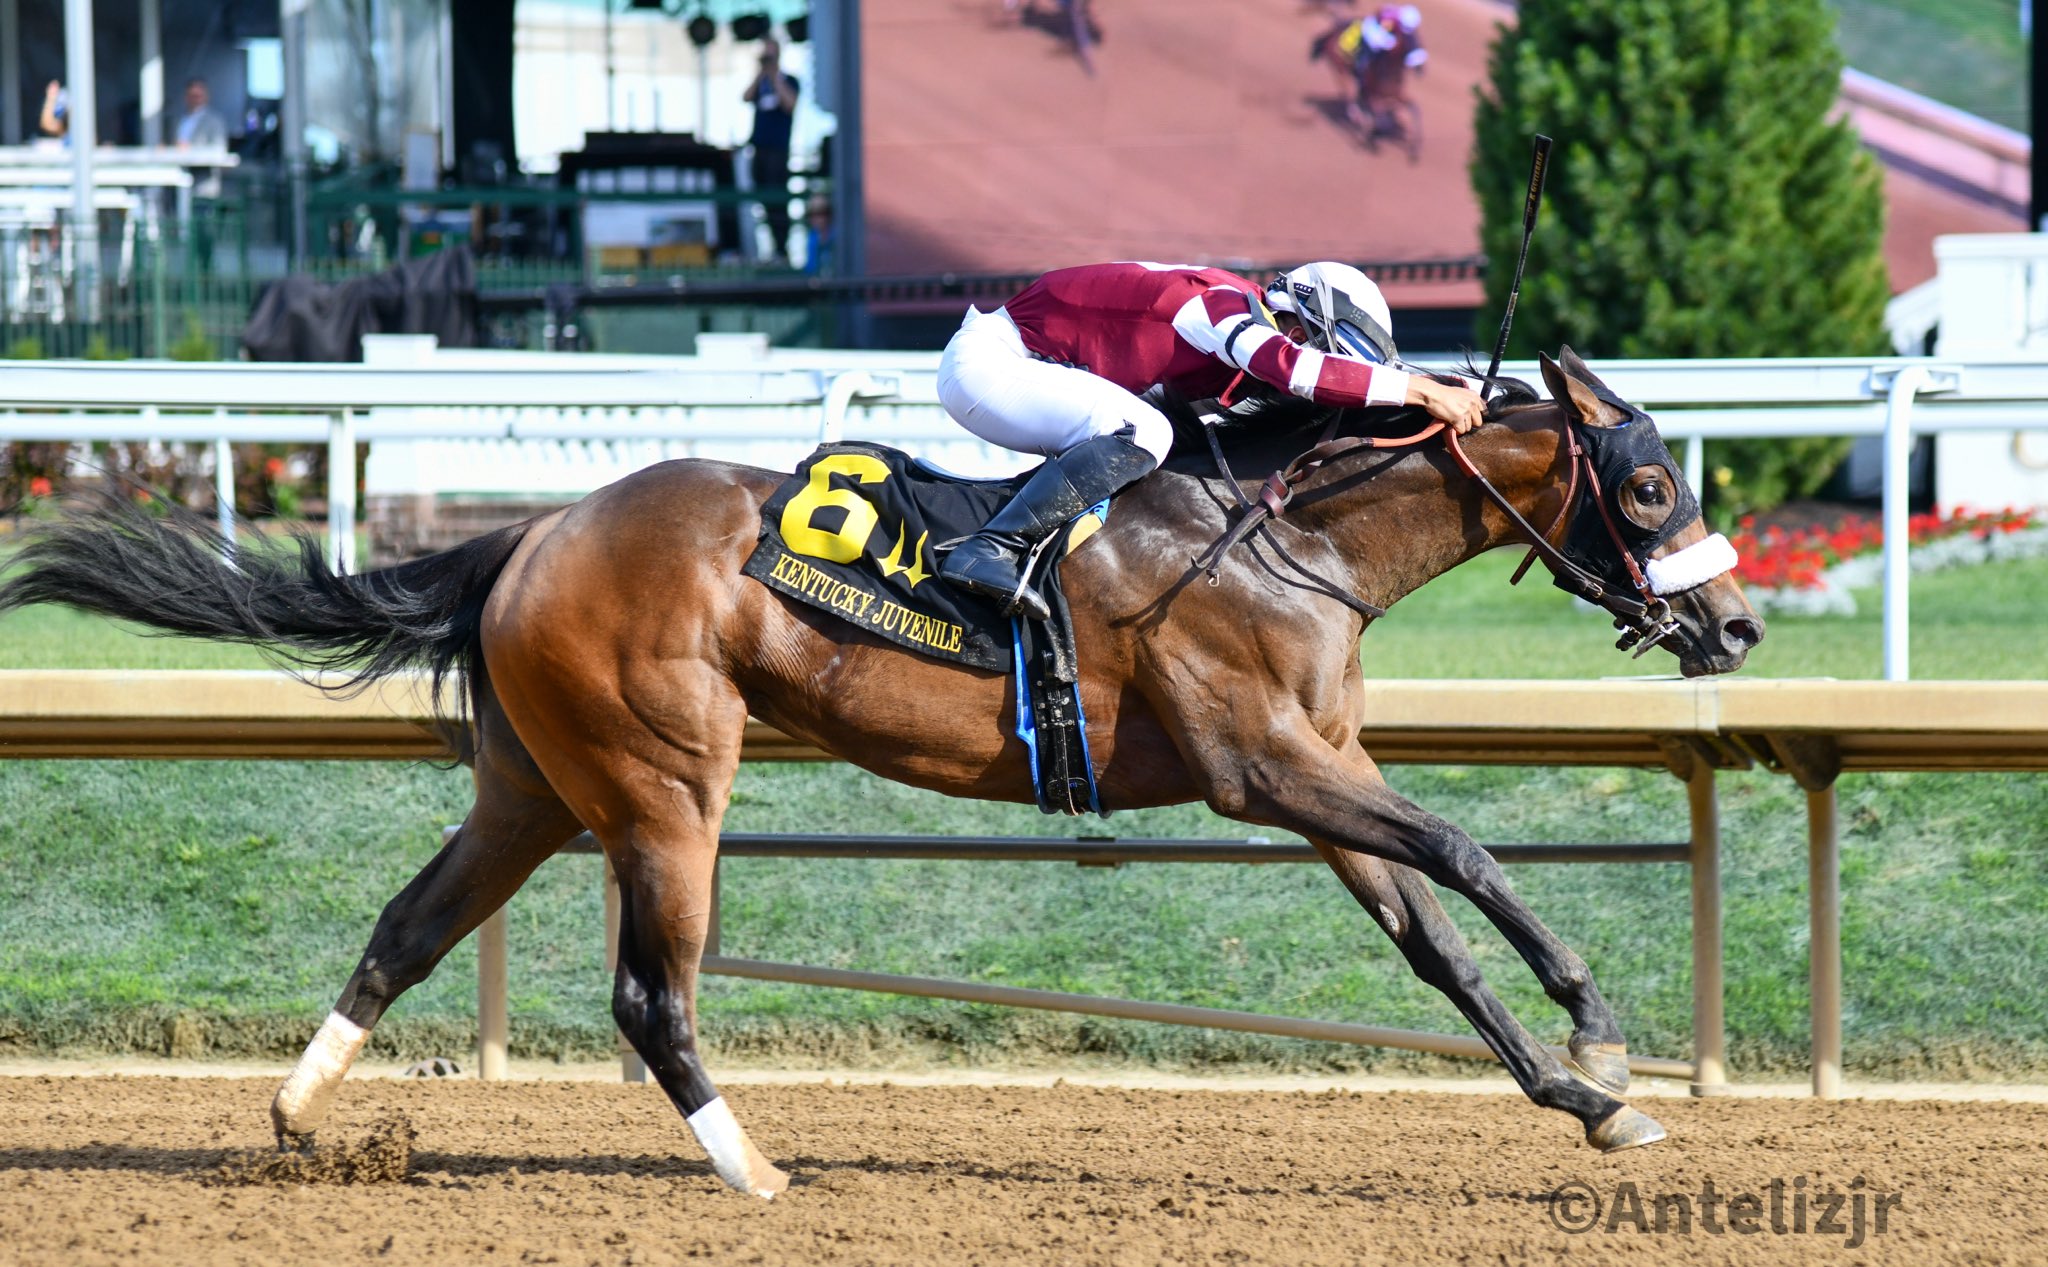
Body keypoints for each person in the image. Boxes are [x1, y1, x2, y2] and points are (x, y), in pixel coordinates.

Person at [936, 261, 1487, 619]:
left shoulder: (1232, 325)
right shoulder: (1219, 305)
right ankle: (988, 549)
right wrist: (1417, 391)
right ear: (1298, 326)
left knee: (1162, 445)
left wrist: (1437, 385)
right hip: (990, 364)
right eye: (1323, 350)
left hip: (1023, 368)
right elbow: (1293, 370)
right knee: (1145, 432)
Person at [742, 38, 800, 264]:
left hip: (779, 150)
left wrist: (775, 76)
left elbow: (791, 104)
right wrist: (760, 73)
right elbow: (745, 97)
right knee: (762, 198)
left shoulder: (789, 81)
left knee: (778, 200)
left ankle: (782, 248)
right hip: (759, 149)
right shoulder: (760, 84)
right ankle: (769, 248)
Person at [175, 78, 230, 270]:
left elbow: (218, 151)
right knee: (186, 233)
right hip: (182, 188)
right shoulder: (181, 120)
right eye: (192, 96)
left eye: (199, 95)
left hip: (204, 188)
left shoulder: (214, 121)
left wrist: (190, 150)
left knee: (204, 232)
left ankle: (206, 273)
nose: (195, 99)